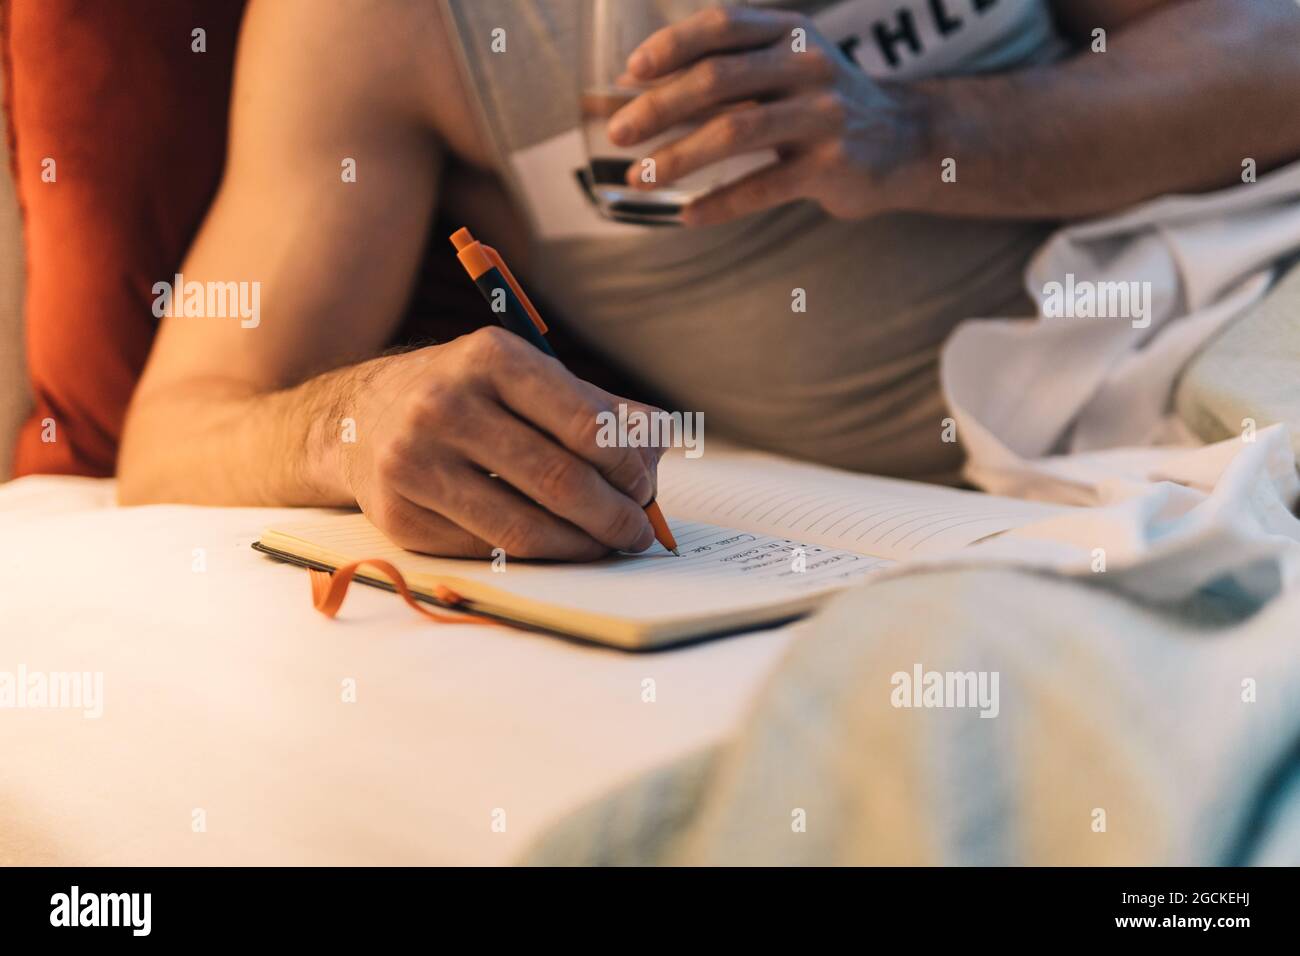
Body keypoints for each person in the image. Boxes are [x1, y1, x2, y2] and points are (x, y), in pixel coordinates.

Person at [117, 0, 1300, 560]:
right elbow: (179, 428)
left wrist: (916, 129)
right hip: (1109, 410)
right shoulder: (379, 28)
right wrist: (355, 419)